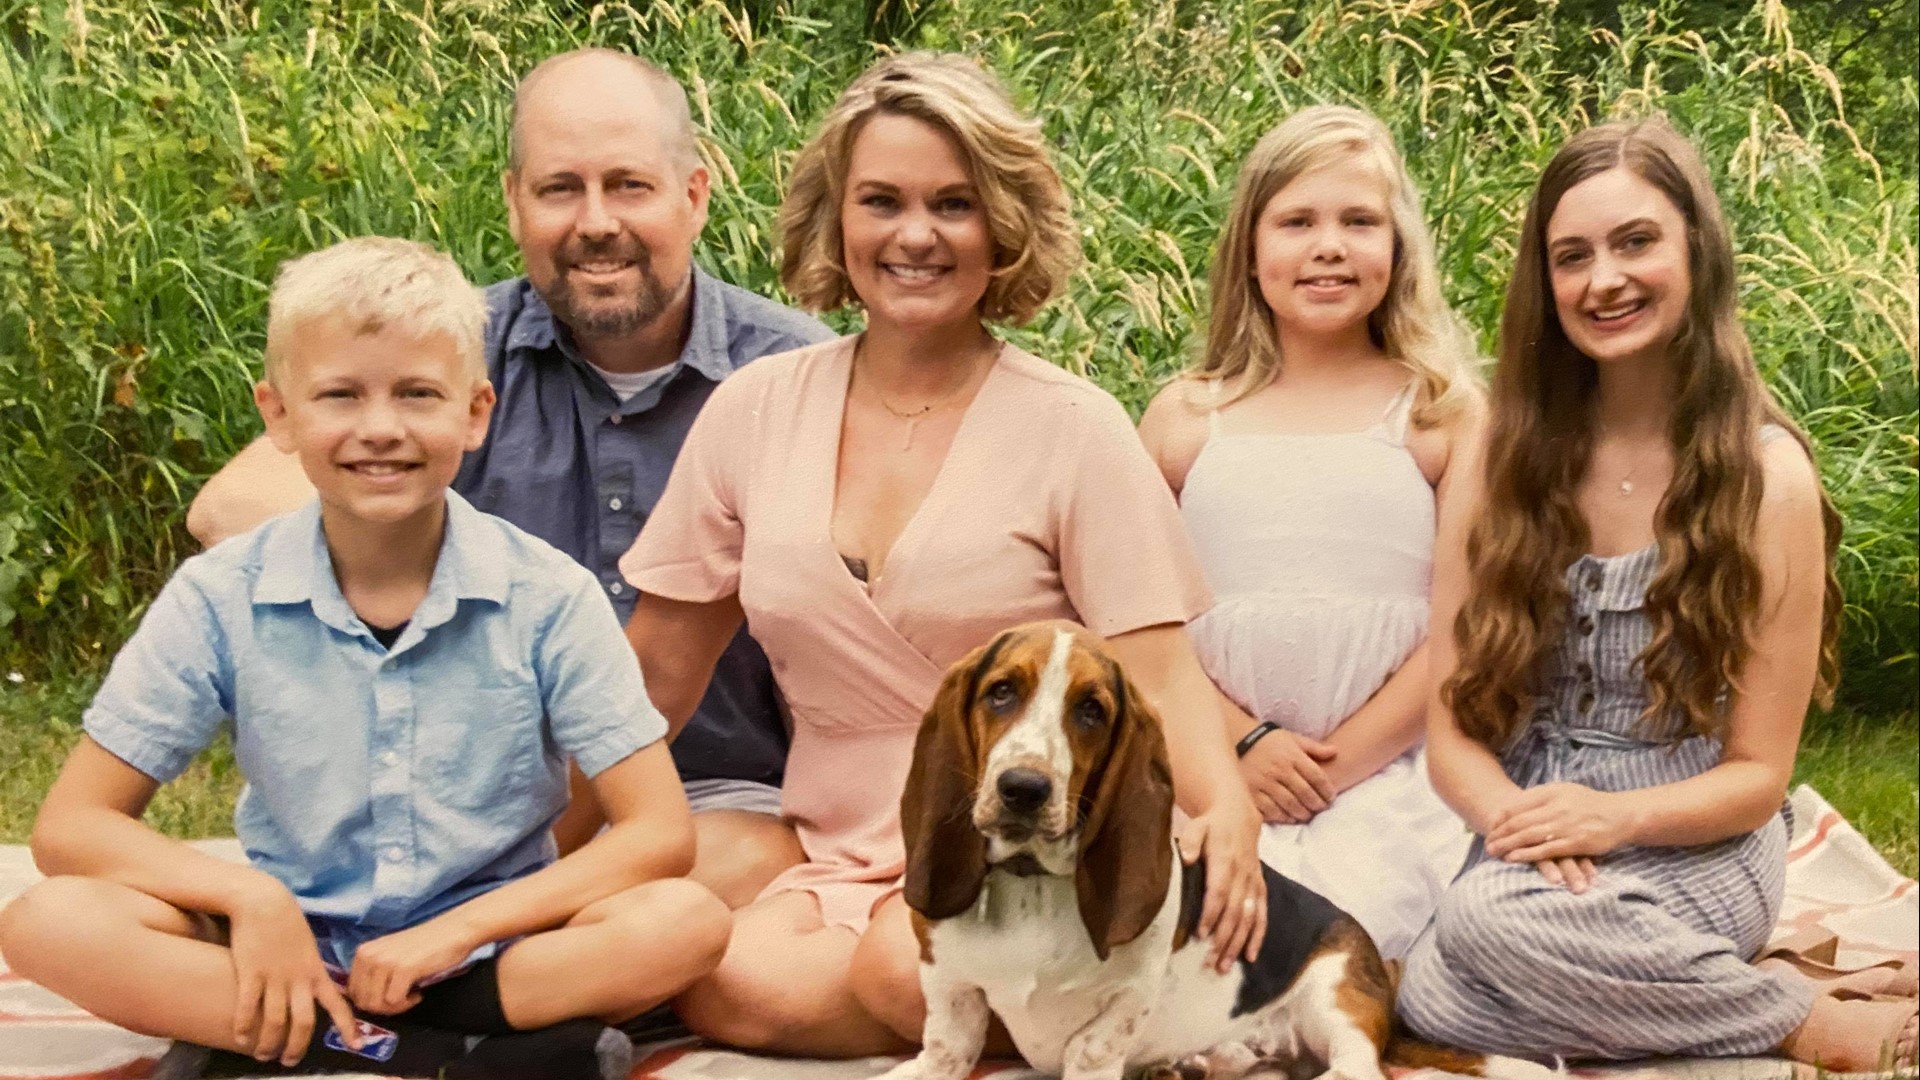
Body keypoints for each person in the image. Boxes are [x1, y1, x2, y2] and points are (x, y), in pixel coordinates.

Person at [614, 52, 1267, 1055]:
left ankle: (1089, 1014)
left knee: (884, 968)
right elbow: (654, 673)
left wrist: (1226, 817)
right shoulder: (754, 410)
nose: (915, 235)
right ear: (838, 219)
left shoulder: (1075, 429)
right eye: (882, 201)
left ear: (1002, 226)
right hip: (834, 832)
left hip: (1026, 840)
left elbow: (1160, 678)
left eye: (954, 204)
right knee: (703, 950)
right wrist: (520, 859)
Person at [0, 238, 731, 1079]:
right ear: (279, 415)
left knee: (684, 922)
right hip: (284, 943)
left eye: (419, 394)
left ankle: (294, 1042)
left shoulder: (547, 596)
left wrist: (457, 932)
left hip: (488, 947)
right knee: (48, 920)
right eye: (340, 395)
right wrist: (250, 897)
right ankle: (444, 1056)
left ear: (475, 412)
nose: (380, 429)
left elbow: (658, 832)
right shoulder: (221, 596)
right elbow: (71, 825)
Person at [183, 49, 832, 909]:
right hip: (469, 799)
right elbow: (229, 512)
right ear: (515, 202)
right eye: (561, 189)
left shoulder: (794, 375)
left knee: (701, 892)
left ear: (695, 196)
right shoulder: (448, 351)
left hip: (711, 805)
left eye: (629, 186)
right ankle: (489, 968)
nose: (595, 222)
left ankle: (450, 960)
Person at [1395, 117, 1917, 1074]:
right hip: (1529, 836)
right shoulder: (1497, 454)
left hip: (1697, 838)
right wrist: (1523, 826)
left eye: (1637, 242)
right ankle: (1742, 999)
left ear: (1696, 252)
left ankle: (1811, 1026)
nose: (1605, 280)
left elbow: (1758, 774)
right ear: (1544, 284)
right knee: (1436, 987)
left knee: (1472, 942)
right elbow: (1451, 734)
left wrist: (1616, 820)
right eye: (1572, 256)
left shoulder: (1768, 479)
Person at [1138, 105, 1479, 960]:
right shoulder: (1187, 416)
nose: (1329, 245)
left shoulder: (1443, 414)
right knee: (1171, 933)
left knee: (1337, 941)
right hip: (1209, 761)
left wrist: (1334, 769)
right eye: (1297, 221)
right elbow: (1138, 626)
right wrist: (1238, 747)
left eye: (1359, 221)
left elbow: (1464, 627)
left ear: (1397, 246)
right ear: (1251, 250)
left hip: (1387, 773)